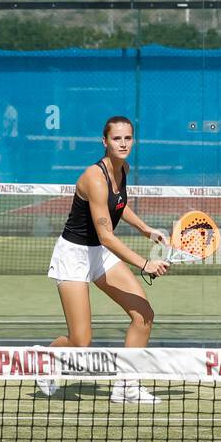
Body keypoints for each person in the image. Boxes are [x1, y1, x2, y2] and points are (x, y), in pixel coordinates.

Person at [39, 115, 169, 404]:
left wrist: (146, 229)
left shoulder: (123, 169)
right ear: (105, 141)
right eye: (117, 138)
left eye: (128, 138)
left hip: (99, 252)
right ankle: (46, 359)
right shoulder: (94, 178)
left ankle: (126, 387)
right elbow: (107, 235)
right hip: (73, 255)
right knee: (81, 341)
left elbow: (119, 205)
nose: (123, 143)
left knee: (143, 315)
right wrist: (145, 264)